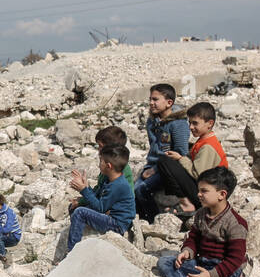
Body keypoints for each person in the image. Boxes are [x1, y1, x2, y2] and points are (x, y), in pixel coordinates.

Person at [155, 102, 228, 216]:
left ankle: (186, 203)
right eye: (190, 123)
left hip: (207, 193)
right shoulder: (204, 140)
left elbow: (198, 173)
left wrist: (180, 158)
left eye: (195, 123)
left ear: (209, 124)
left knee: (164, 162)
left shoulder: (208, 146)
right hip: (206, 190)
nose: (191, 127)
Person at [66, 144, 135, 253]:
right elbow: (97, 198)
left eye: (100, 162)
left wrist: (83, 190)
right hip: (109, 216)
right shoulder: (109, 179)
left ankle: (72, 252)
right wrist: (86, 186)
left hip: (117, 224)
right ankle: (78, 233)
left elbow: (100, 207)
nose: (99, 165)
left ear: (108, 166)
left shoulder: (119, 185)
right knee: (74, 207)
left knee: (80, 212)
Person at [135, 84, 190, 221]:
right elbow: (153, 147)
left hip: (168, 168)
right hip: (152, 164)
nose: (151, 103)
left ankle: (153, 219)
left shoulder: (178, 124)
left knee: (142, 189)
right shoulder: (152, 122)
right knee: (132, 191)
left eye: (155, 100)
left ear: (169, 103)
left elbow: (181, 152)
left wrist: (154, 170)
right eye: (150, 99)